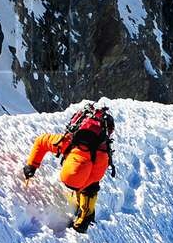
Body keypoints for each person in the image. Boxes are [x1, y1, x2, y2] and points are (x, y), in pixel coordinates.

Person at [23, 99, 116, 233]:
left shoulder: (100, 161)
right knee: (85, 187)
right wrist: (31, 165)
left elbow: (91, 186)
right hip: (84, 159)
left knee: (89, 190)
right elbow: (41, 142)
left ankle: (85, 217)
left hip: (94, 160)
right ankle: (81, 214)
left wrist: (84, 206)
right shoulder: (66, 143)